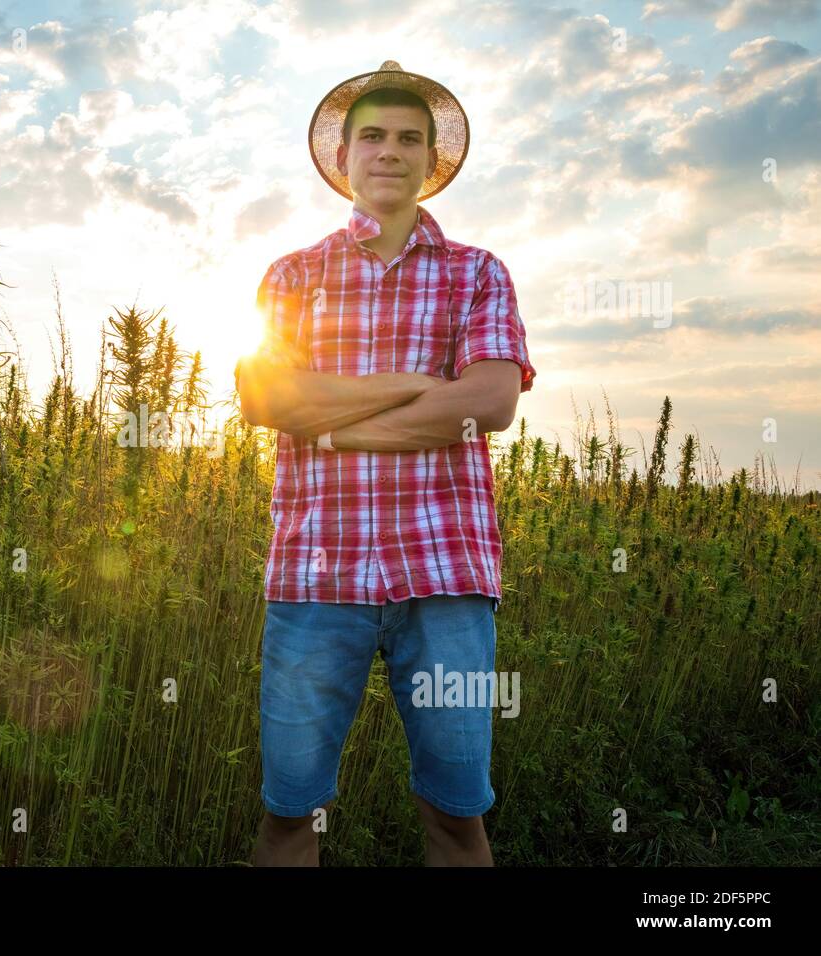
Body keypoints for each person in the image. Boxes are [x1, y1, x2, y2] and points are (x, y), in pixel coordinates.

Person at [235, 60, 536, 866]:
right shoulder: (294, 275)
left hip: (444, 574)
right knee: (288, 814)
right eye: (372, 136)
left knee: (457, 814)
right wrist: (412, 387)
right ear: (345, 158)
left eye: (409, 138)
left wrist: (329, 425)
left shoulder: (478, 273)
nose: (389, 151)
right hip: (314, 574)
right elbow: (268, 399)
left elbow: (489, 404)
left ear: (432, 159)